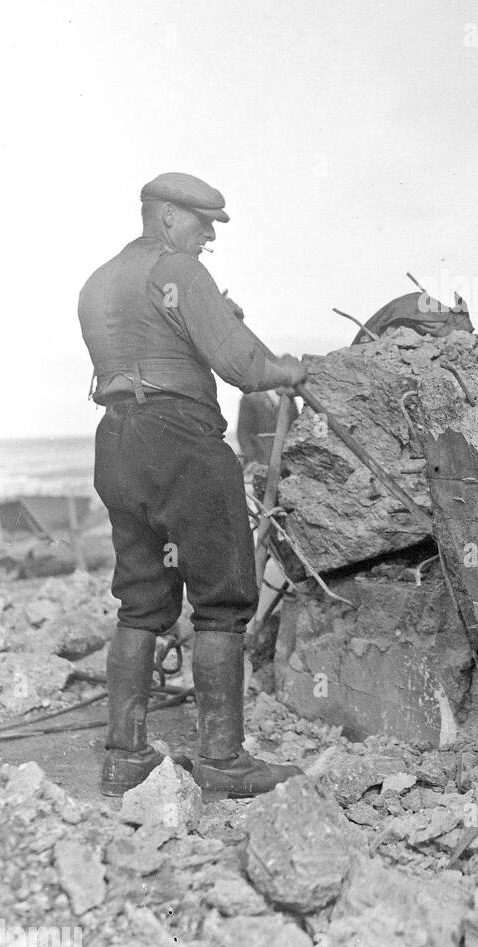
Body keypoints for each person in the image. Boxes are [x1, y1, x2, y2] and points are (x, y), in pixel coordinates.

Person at [78, 171, 308, 796]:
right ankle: (223, 762)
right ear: (169, 216)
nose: (209, 235)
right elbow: (244, 365)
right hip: (181, 440)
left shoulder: (98, 281)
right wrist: (296, 369)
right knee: (222, 602)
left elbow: (150, 342)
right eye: (203, 222)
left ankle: (124, 757)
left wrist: (207, 320)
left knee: (141, 603)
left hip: (118, 444)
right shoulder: (177, 269)